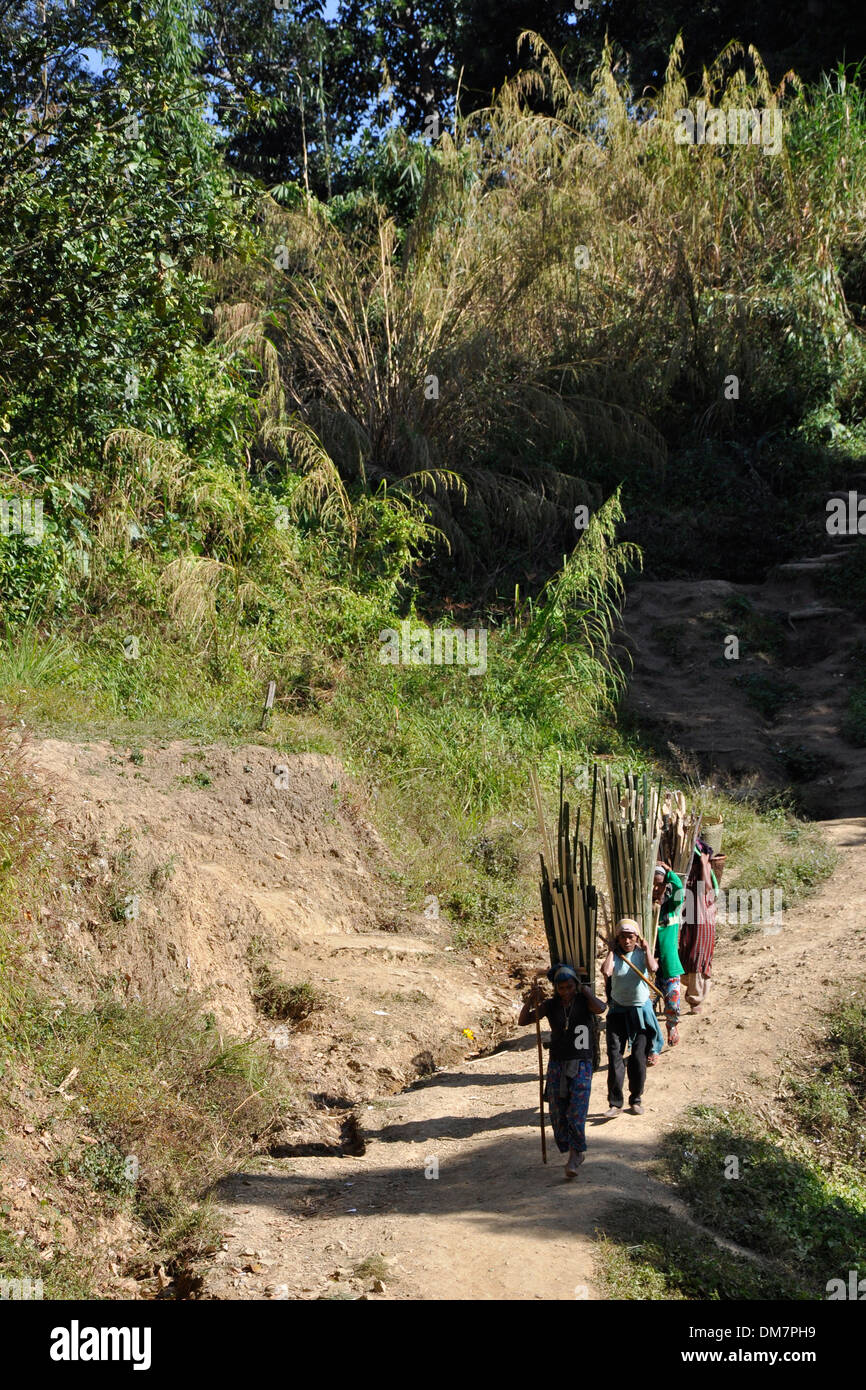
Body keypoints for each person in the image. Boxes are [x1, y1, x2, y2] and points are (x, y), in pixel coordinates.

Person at [518, 964, 607, 1178]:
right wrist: (531, 1000)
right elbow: (523, 1021)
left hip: (581, 1062)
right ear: (556, 989)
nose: (566, 992)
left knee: (577, 1110)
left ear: (575, 986)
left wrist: (585, 990)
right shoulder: (551, 1005)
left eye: (569, 987)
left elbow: (601, 1008)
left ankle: (576, 1155)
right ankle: (569, 1147)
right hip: (557, 1062)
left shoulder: (584, 1001)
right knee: (558, 1112)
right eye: (561, 988)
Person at [601, 918, 664, 1117]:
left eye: (631, 937)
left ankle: (635, 1099)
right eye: (623, 937)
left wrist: (646, 949)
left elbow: (653, 968)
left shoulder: (640, 954)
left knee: (637, 1058)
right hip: (618, 1012)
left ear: (637, 938)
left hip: (640, 1013)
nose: (627, 941)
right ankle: (615, 1103)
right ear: (617, 939)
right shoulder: (615, 956)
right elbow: (606, 971)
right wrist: (611, 950)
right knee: (614, 1056)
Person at [681, 840, 718, 1013]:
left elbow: (707, 888)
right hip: (686, 909)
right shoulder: (681, 862)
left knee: (698, 950)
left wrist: (704, 864)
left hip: (702, 911)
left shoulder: (702, 861)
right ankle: (689, 991)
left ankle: (695, 999)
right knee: (684, 947)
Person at [652, 862, 685, 1046]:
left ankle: (672, 1026)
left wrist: (670, 872)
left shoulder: (671, 907)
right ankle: (653, 1044)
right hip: (649, 968)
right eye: (653, 885)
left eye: (660, 884)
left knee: (672, 1002)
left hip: (670, 966)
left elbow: (680, 887)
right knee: (647, 1007)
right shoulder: (642, 909)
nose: (657, 889)